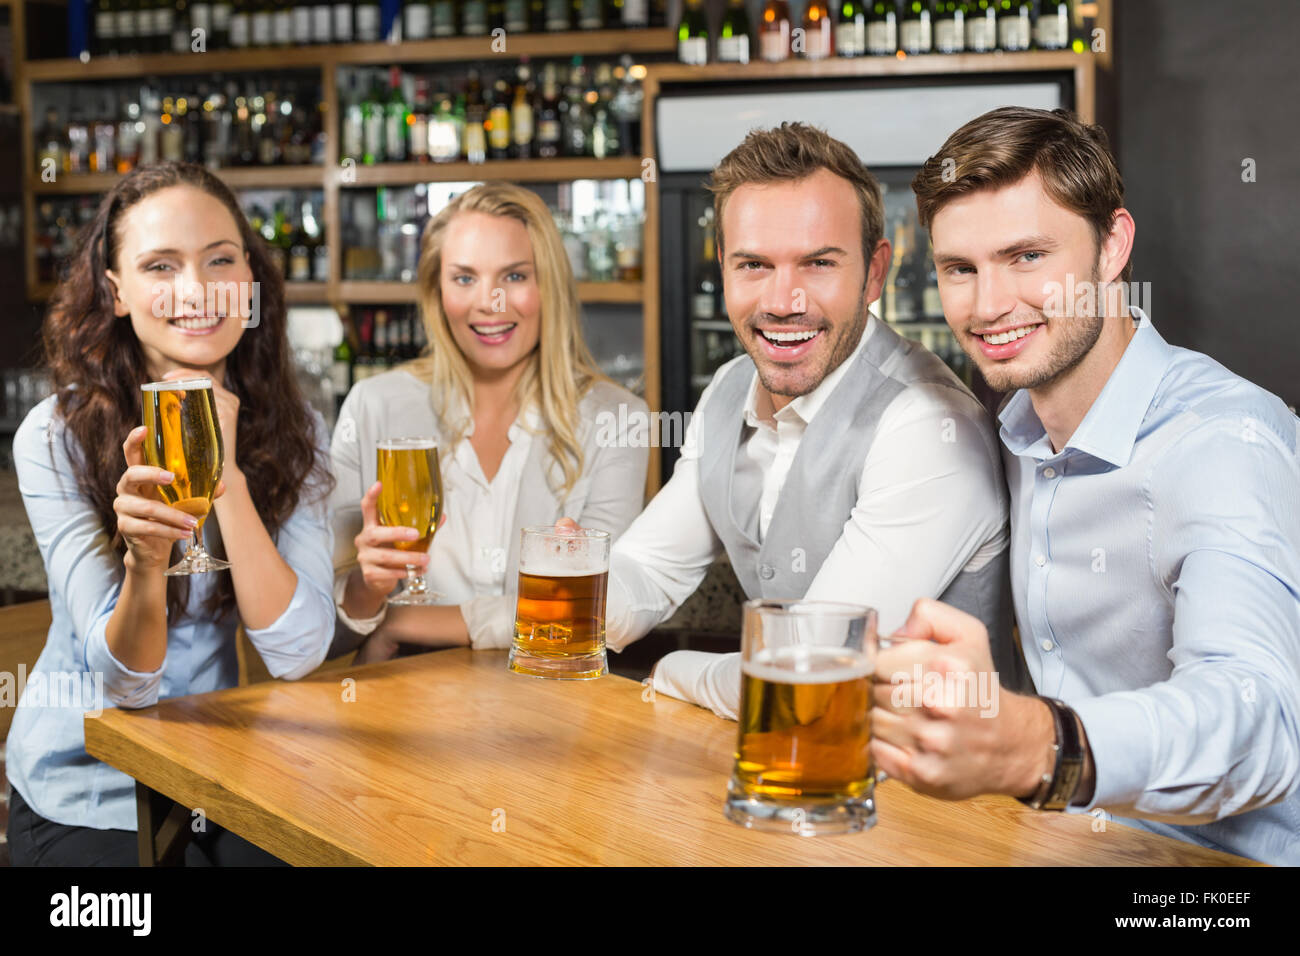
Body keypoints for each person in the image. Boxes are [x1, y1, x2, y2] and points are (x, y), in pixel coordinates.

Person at [872, 106, 1300, 865]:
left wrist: (1041, 749)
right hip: (1072, 844)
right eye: (959, 269)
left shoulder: (1222, 442)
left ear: (1112, 249)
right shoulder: (1010, 432)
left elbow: (1261, 718)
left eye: (1027, 256)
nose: (989, 304)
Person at [572, 122, 1015, 719]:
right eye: (754, 265)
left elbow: (809, 673)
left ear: (875, 272)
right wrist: (577, 583)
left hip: (946, 795)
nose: (784, 301)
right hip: (799, 771)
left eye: (818, 264)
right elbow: (649, 568)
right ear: (723, 268)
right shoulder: (731, 388)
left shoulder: (928, 427)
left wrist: (669, 671)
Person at [5, 162, 336, 866]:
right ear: (117, 292)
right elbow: (126, 681)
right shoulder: (54, 435)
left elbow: (298, 651)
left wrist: (225, 476)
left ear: (250, 278)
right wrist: (145, 564)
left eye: (220, 259)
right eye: (162, 266)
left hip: (213, 775)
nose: (197, 291)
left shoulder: (296, 425)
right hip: (86, 787)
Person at [329, 183, 648, 660]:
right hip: (400, 711)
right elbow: (320, 626)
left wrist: (408, 622)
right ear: (437, 293)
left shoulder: (617, 419)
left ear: (550, 287)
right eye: (464, 279)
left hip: (552, 710)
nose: (490, 302)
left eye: (515, 276)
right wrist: (366, 590)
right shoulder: (373, 406)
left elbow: (599, 609)